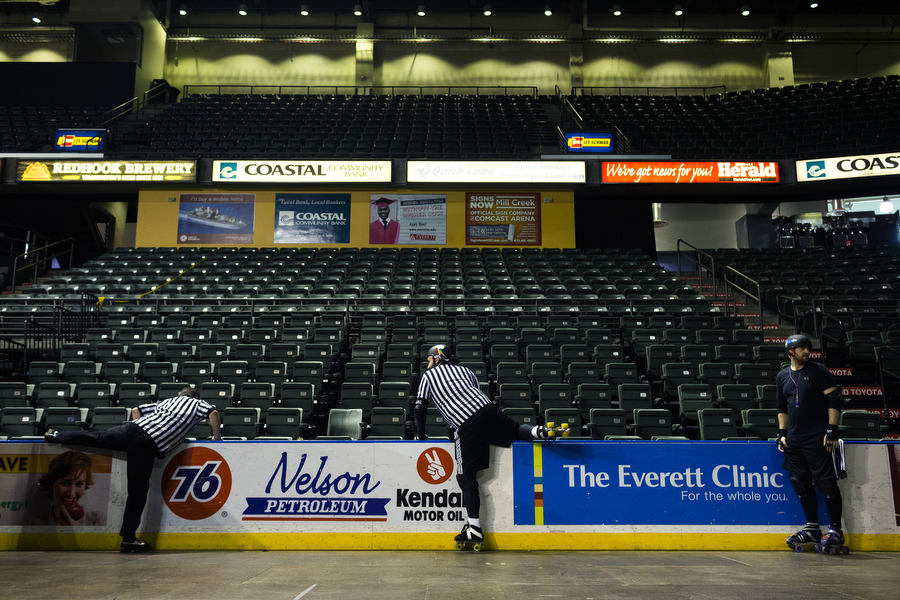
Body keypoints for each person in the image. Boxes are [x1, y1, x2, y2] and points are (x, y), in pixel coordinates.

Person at [44, 386, 221, 553]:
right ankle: (128, 539)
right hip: (147, 443)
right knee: (138, 492)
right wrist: (216, 437)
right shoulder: (197, 403)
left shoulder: (168, 402)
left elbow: (137, 410)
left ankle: (56, 435)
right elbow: (213, 412)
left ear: (181, 395)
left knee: (97, 437)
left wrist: (141, 430)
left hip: (131, 429)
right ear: (195, 397)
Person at [414, 344, 552, 547]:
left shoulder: (429, 377)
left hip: (467, 422)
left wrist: (420, 434)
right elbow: (473, 397)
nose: (427, 363)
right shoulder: (466, 371)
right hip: (488, 410)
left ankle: (474, 528)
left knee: (466, 477)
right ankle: (536, 431)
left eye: (429, 359)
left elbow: (419, 407)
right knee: (514, 430)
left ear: (437, 358)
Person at [775, 334, 846, 551]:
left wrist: (832, 430)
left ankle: (836, 530)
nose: (807, 352)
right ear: (790, 351)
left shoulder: (819, 371)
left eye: (808, 348)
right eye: (802, 348)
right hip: (794, 439)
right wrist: (781, 433)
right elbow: (782, 408)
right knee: (800, 481)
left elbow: (834, 400)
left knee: (826, 482)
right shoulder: (782, 376)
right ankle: (813, 529)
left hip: (818, 436)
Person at [31, 450, 105, 526]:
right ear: (51, 484)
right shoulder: (35, 524)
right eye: (65, 483)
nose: (71, 493)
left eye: (79, 484)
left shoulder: (97, 520)